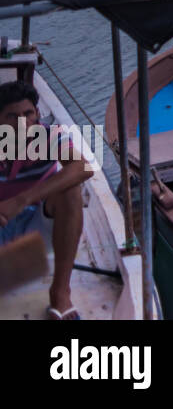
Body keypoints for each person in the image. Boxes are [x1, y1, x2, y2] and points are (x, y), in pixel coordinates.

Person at [0, 80, 92, 319]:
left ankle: (60, 293)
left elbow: (83, 167)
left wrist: (21, 200)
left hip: (38, 229)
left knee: (71, 189)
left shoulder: (49, 137)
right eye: (12, 116)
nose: (23, 123)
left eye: (28, 113)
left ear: (38, 114)